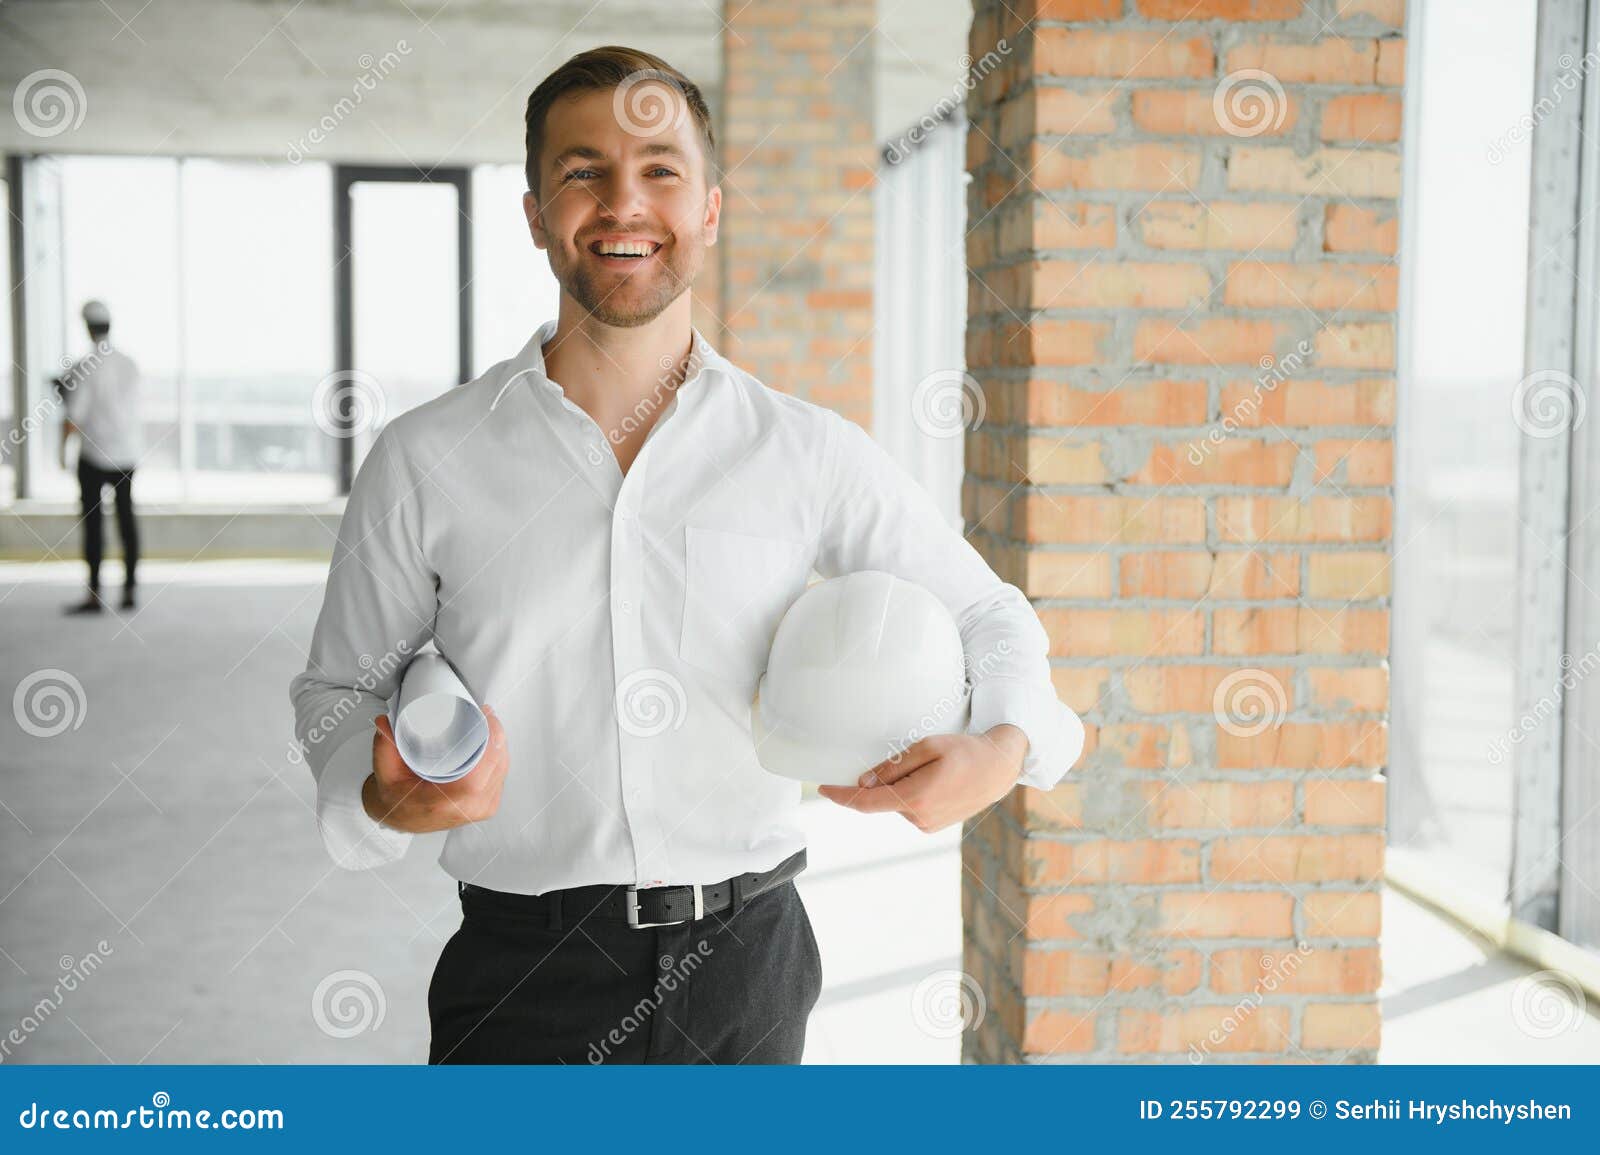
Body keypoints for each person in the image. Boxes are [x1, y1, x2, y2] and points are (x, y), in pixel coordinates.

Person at [288, 45, 1083, 1065]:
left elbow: (991, 616)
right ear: (535, 213)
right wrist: (378, 795)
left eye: (660, 169)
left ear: (709, 208)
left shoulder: (805, 451)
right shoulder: (425, 457)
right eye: (583, 172)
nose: (624, 204)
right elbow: (335, 691)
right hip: (518, 975)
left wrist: (1005, 749)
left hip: (746, 970)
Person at [60, 299, 142, 614]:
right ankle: (130, 591)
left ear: (86, 327)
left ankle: (94, 595)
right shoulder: (129, 363)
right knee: (126, 521)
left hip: (94, 455)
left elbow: (74, 416)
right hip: (127, 454)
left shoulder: (85, 366)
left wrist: (61, 451)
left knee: (93, 525)